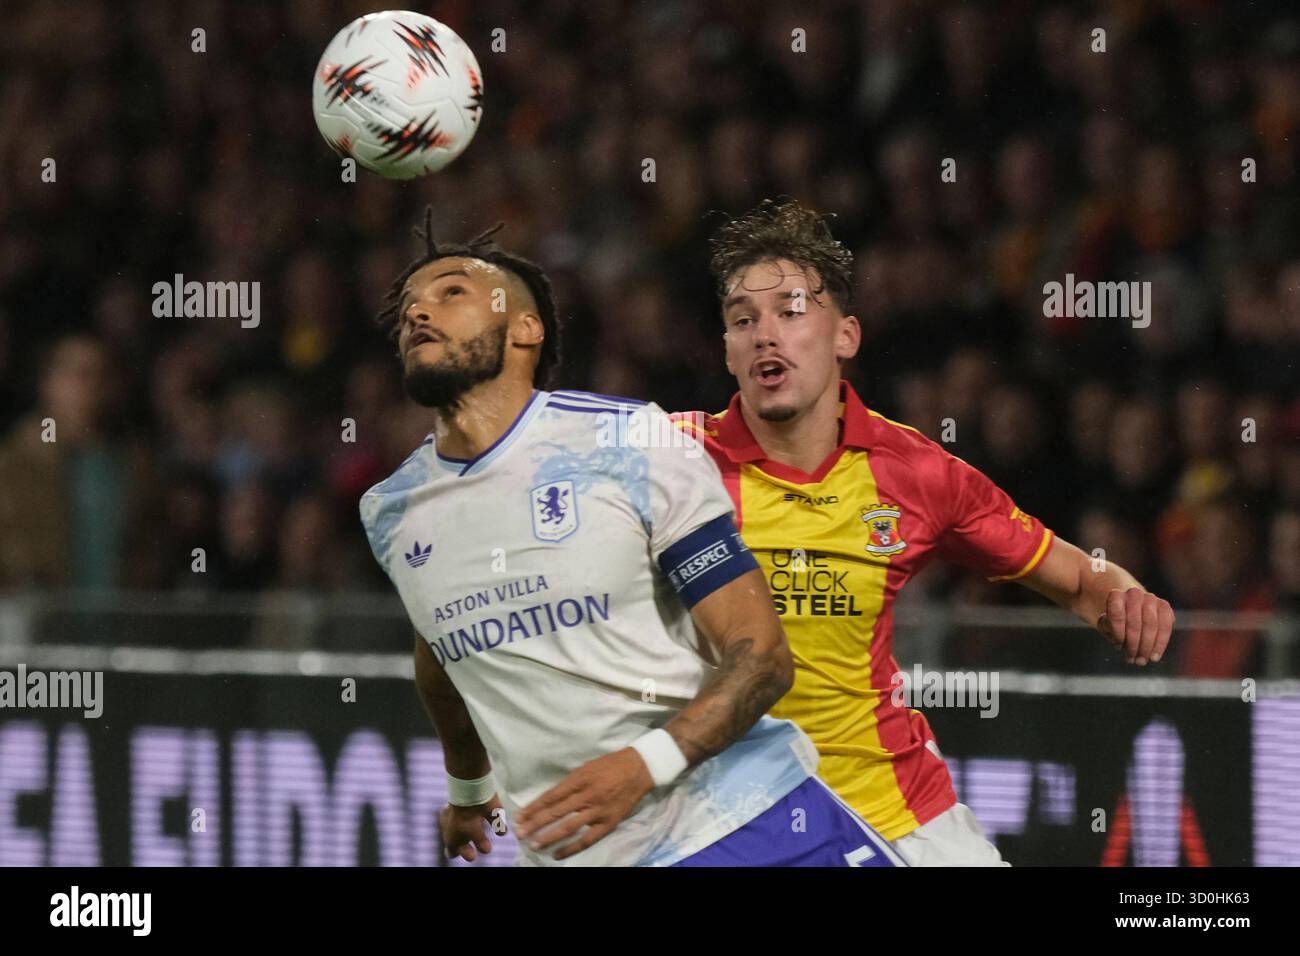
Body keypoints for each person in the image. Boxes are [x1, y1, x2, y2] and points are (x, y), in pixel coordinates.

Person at [358, 211, 904, 867]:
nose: (420, 314)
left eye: (451, 293)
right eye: (409, 307)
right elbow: (441, 650)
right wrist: (470, 791)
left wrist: (644, 765)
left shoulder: (626, 442)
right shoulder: (391, 510)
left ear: (525, 329)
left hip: (744, 828)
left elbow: (760, 657)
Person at [672, 199, 1176, 866]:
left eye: (791, 312)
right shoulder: (668, 460)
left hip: (890, 811)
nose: (766, 334)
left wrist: (1128, 599)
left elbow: (1083, 578)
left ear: (844, 335)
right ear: (729, 351)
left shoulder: (918, 473)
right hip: (729, 819)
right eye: (743, 320)